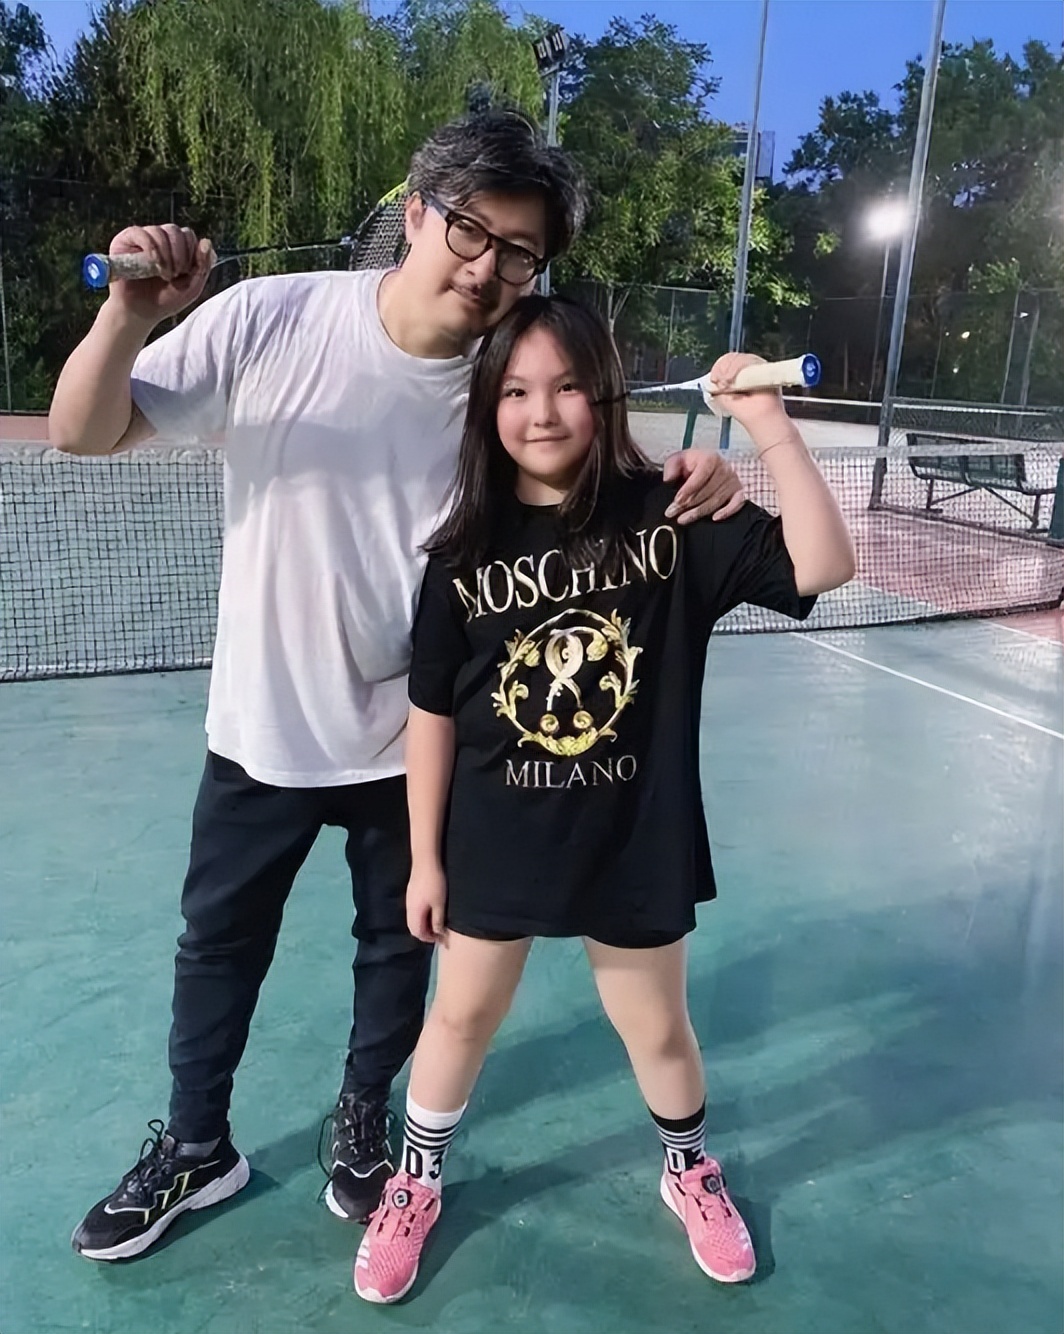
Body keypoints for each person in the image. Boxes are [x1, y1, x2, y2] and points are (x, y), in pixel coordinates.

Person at [48, 112, 746, 1263]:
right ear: (415, 211)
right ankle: (195, 1145)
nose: (488, 267)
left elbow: (595, 473)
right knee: (216, 943)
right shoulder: (273, 319)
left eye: (519, 252)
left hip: (421, 740)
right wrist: (127, 313)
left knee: (397, 947)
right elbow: (85, 430)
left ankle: (364, 1127)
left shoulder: (504, 380)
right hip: (264, 723)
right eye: (470, 230)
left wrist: (703, 468)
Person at [352, 293, 856, 1304]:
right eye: (516, 390)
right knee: (456, 1022)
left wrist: (765, 431)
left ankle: (689, 1170)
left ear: (605, 395)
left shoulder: (669, 517)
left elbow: (823, 565)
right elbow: (432, 714)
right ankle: (415, 1180)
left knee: (657, 1029)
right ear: (487, 406)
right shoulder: (460, 554)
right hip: (495, 842)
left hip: (633, 838)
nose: (541, 412)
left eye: (568, 386)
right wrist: (426, 855)